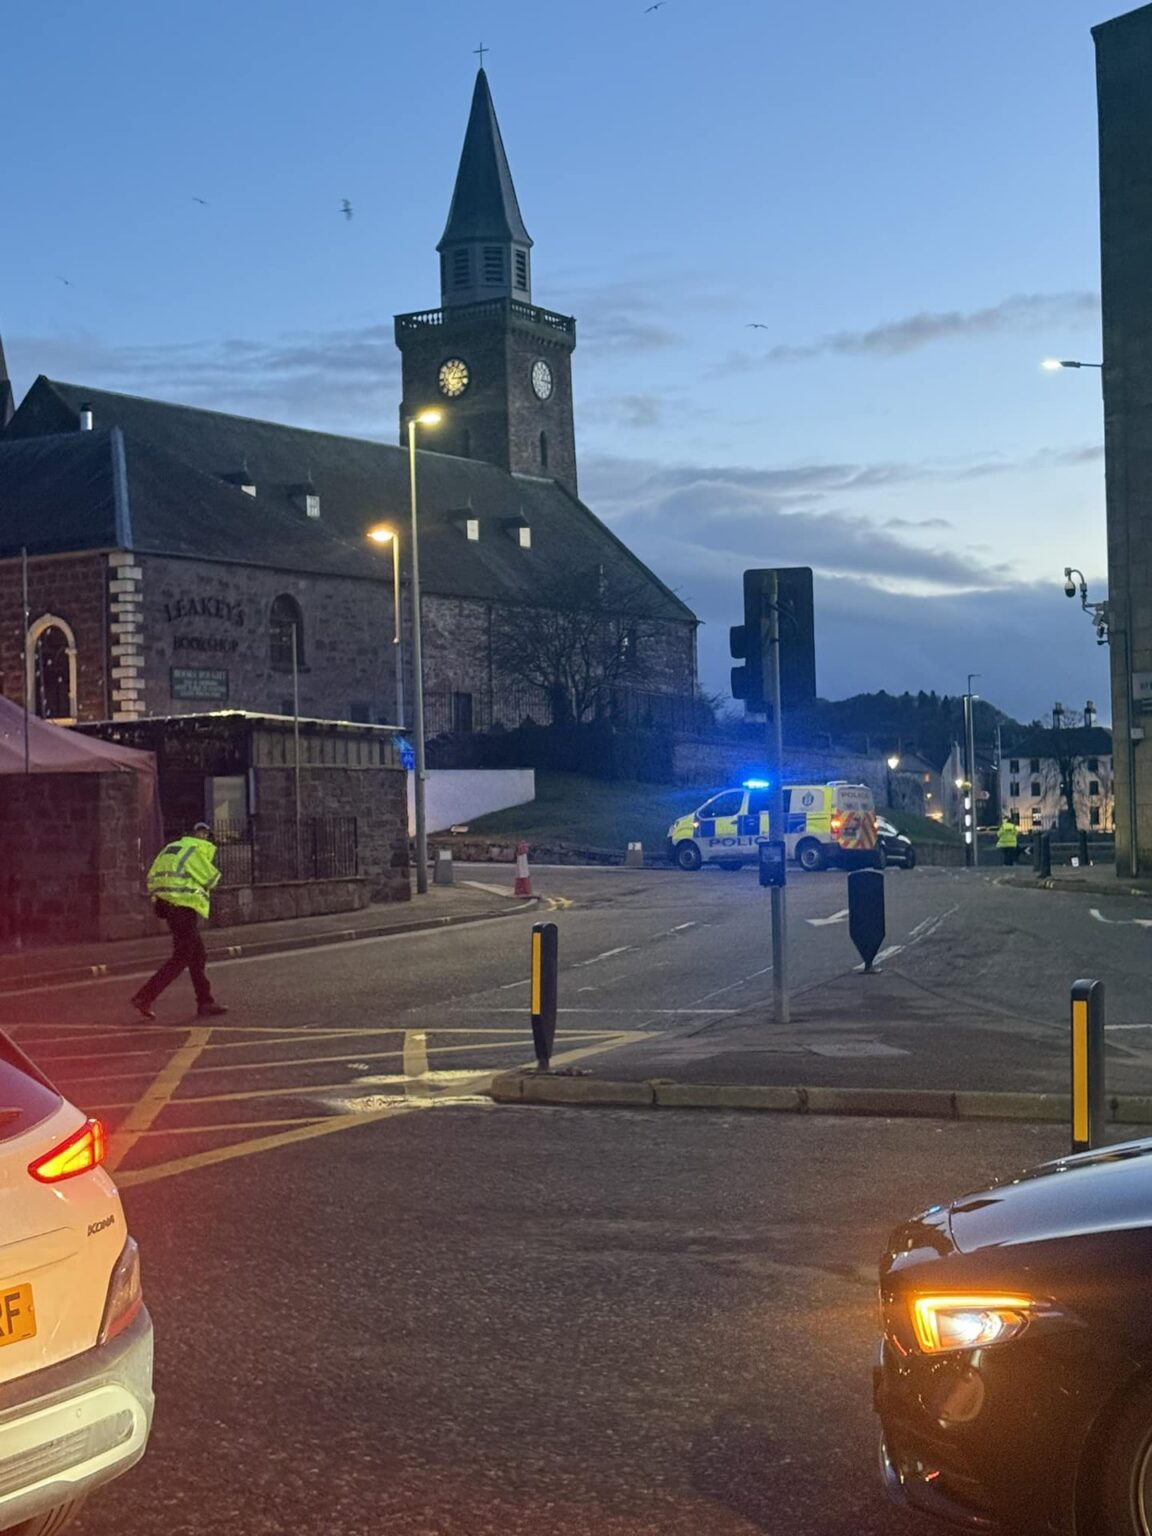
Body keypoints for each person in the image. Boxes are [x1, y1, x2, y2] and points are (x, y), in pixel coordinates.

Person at [130, 822, 228, 1020]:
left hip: (169, 907)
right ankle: (144, 996)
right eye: (204, 834)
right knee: (182, 956)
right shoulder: (193, 851)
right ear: (197, 835)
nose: (205, 837)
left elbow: (152, 877)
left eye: (206, 834)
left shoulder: (171, 849)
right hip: (183, 907)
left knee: (197, 955)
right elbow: (211, 879)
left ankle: (205, 1002)